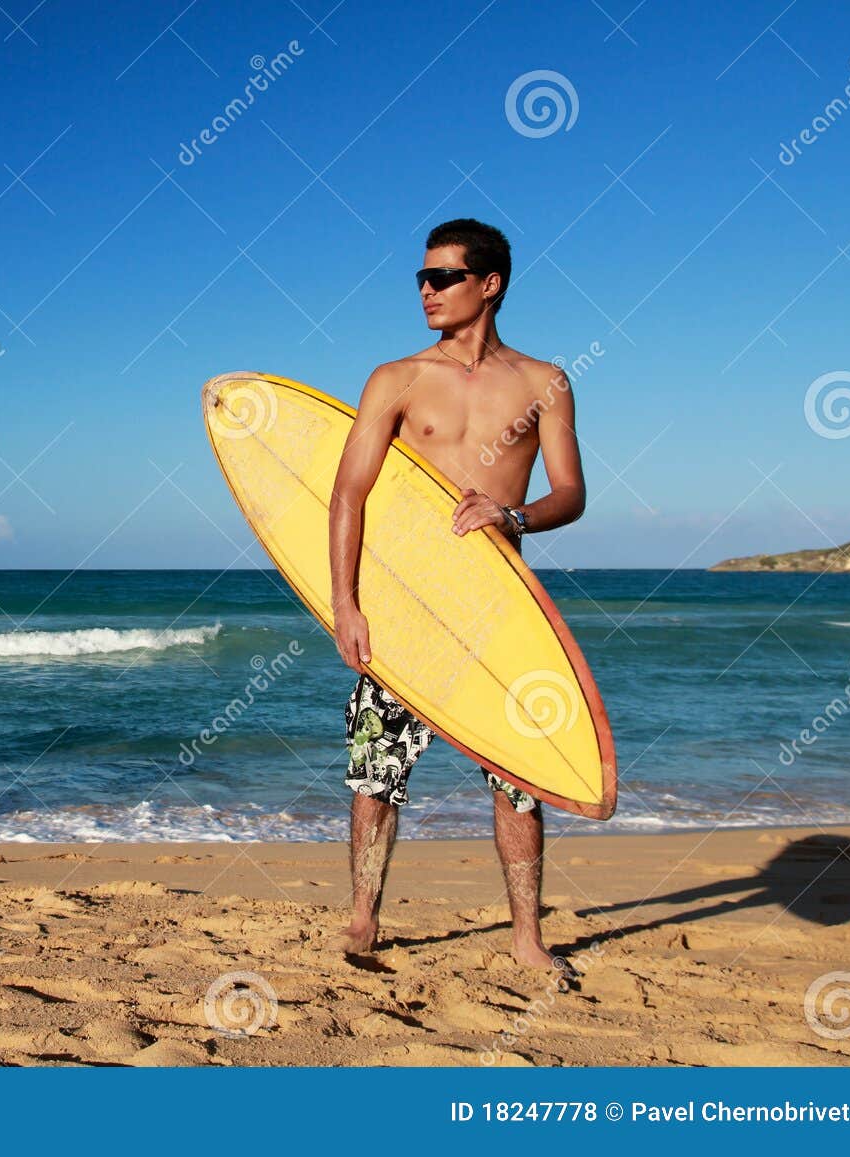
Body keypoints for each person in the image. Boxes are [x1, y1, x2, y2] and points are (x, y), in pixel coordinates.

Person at [326, 218, 586, 975]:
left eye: (443, 277)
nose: (427, 291)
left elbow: (569, 493)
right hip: (408, 604)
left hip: (501, 607)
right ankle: (363, 919)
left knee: (520, 778)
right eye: (422, 278)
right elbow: (347, 495)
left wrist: (513, 515)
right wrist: (346, 604)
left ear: (490, 283)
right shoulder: (396, 379)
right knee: (378, 770)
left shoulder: (544, 383)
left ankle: (527, 938)